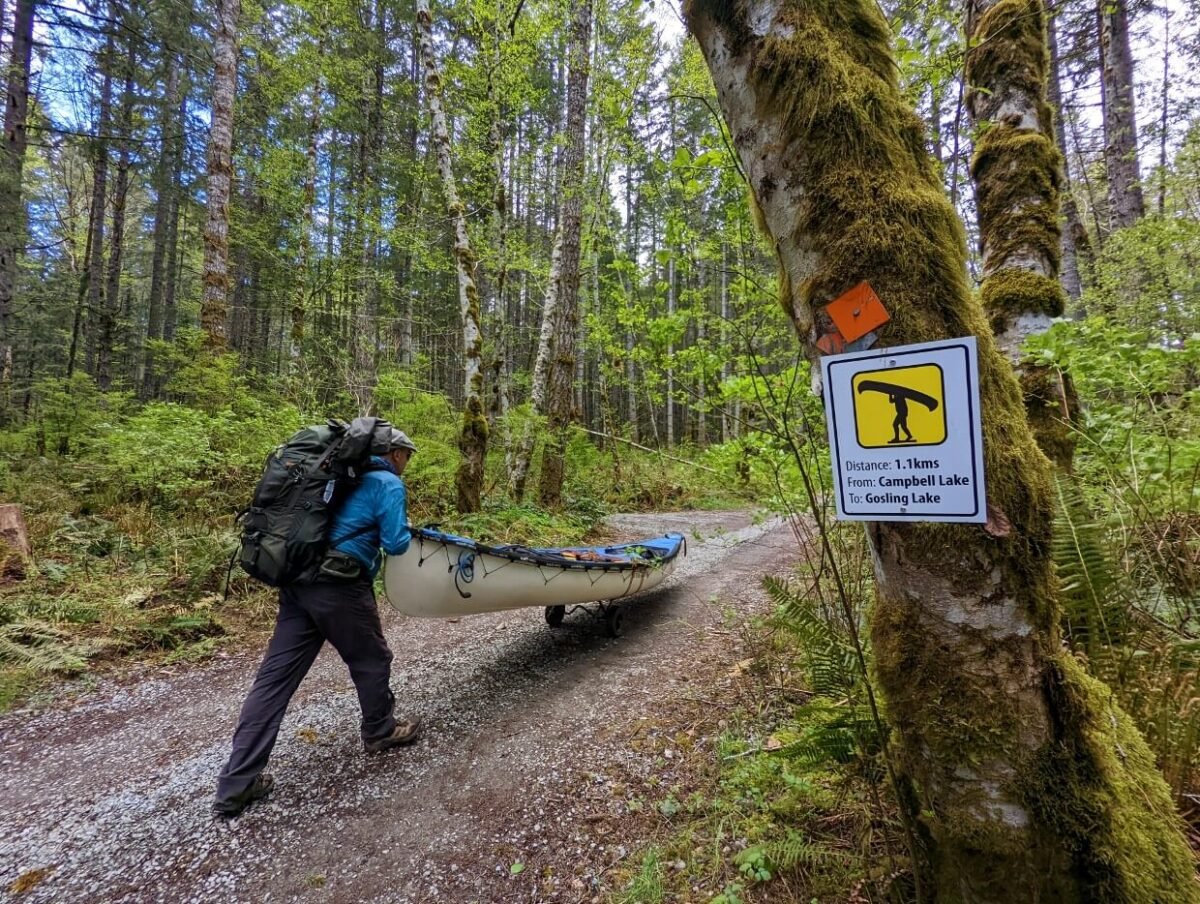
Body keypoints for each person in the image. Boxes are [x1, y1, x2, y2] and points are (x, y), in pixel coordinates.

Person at [213, 428, 423, 819]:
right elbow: (395, 544)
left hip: (297, 582)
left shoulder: (339, 474)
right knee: (372, 659)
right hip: (339, 586)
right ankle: (379, 730)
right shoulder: (387, 483)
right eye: (407, 456)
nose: (407, 464)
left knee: (274, 680)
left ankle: (235, 784)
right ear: (395, 454)